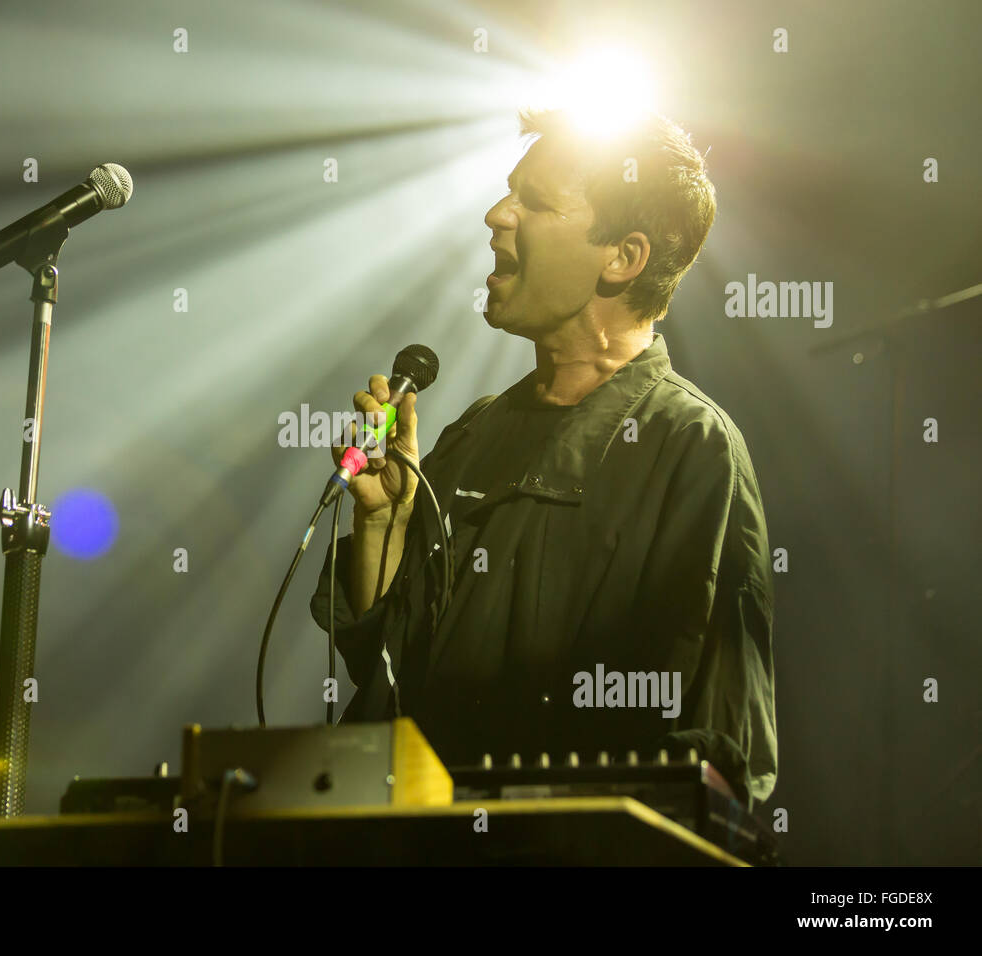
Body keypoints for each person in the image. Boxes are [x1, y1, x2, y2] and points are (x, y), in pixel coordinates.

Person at [310, 108, 777, 808]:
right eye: (508, 192)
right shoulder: (473, 435)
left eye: (535, 201)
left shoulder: (691, 447)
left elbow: (719, 748)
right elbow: (383, 666)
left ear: (623, 257)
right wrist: (385, 521)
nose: (498, 216)